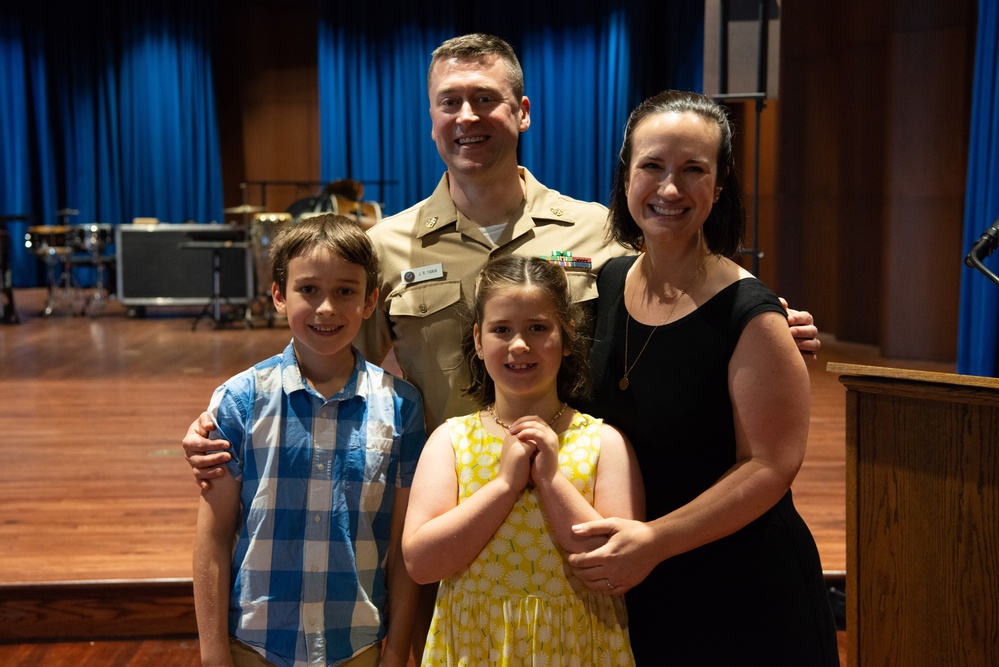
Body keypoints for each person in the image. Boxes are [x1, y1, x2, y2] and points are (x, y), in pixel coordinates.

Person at [566, 90, 839, 664]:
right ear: (625, 175)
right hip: (646, 578)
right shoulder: (609, 282)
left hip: (739, 589)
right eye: (653, 166)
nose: (670, 188)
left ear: (719, 186)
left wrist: (656, 541)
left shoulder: (753, 312)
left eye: (694, 170)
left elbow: (769, 465)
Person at [192, 214, 425, 667]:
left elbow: (399, 548)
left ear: (370, 300)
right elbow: (214, 535)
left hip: (356, 644)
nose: (326, 308)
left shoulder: (402, 406)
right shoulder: (241, 400)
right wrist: (214, 654)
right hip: (254, 645)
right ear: (279, 294)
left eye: (345, 291)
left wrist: (396, 651)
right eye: (308, 289)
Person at [402, 255, 644, 665]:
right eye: (501, 330)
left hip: (576, 643)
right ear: (478, 341)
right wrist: (503, 487)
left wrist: (551, 480)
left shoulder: (605, 443)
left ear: (566, 338)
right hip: (477, 644)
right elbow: (422, 564)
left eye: (538, 328)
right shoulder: (451, 441)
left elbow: (616, 571)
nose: (519, 345)